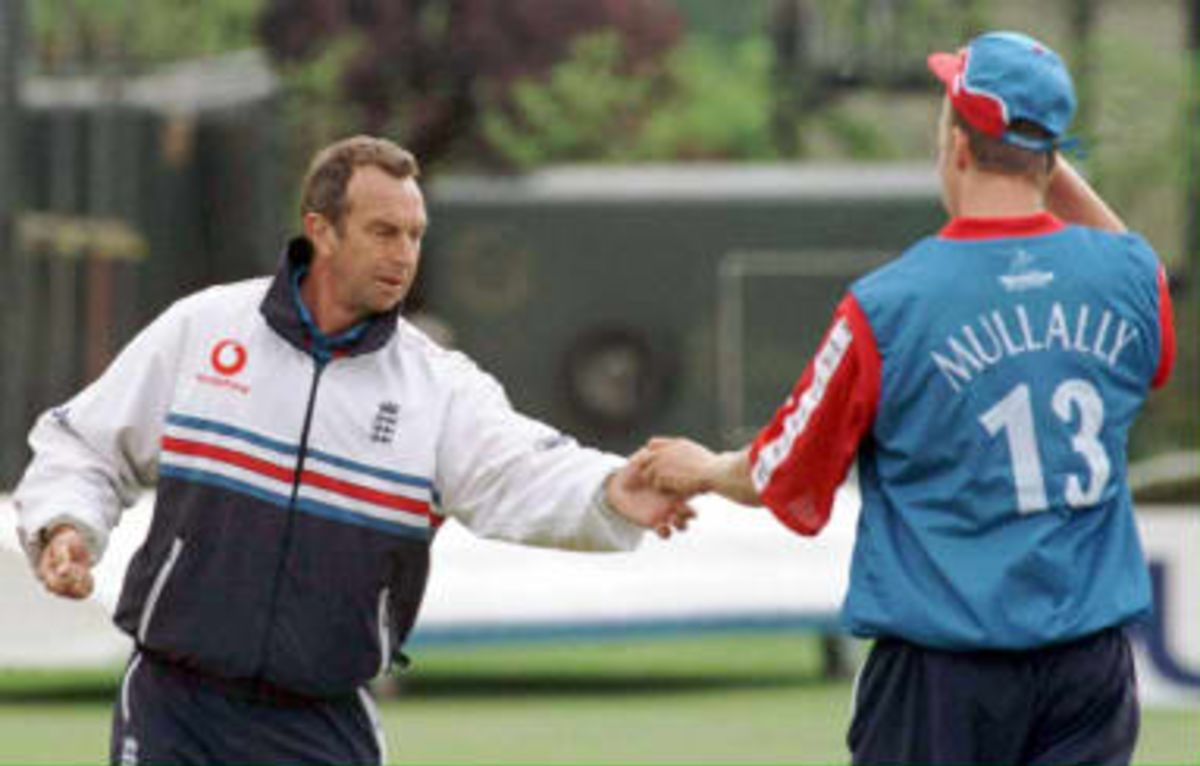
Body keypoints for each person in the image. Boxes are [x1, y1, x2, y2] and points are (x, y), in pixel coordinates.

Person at [13, 135, 693, 765]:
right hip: (174, 708)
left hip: (321, 723)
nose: (404, 254)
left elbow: (525, 471)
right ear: (321, 230)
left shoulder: (439, 387)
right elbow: (85, 443)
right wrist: (66, 525)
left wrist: (612, 492)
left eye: (416, 235)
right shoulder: (205, 328)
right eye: (383, 232)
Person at [634, 31, 1176, 766]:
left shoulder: (889, 307)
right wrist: (1039, 156)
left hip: (942, 677)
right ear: (1050, 155)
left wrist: (703, 469)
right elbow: (1137, 272)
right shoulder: (1126, 276)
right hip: (1089, 673)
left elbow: (782, 470)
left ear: (956, 144)